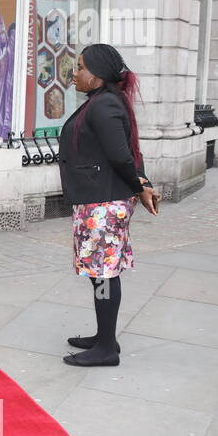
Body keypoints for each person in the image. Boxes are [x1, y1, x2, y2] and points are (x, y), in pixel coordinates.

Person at [57, 43, 161, 367]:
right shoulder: (102, 102)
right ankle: (105, 338)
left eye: (81, 67)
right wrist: (140, 183)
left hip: (103, 201)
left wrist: (141, 185)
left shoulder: (104, 106)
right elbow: (128, 151)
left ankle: (105, 349)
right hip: (98, 199)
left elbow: (121, 155)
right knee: (100, 273)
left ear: (98, 75)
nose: (74, 73)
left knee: (103, 274)